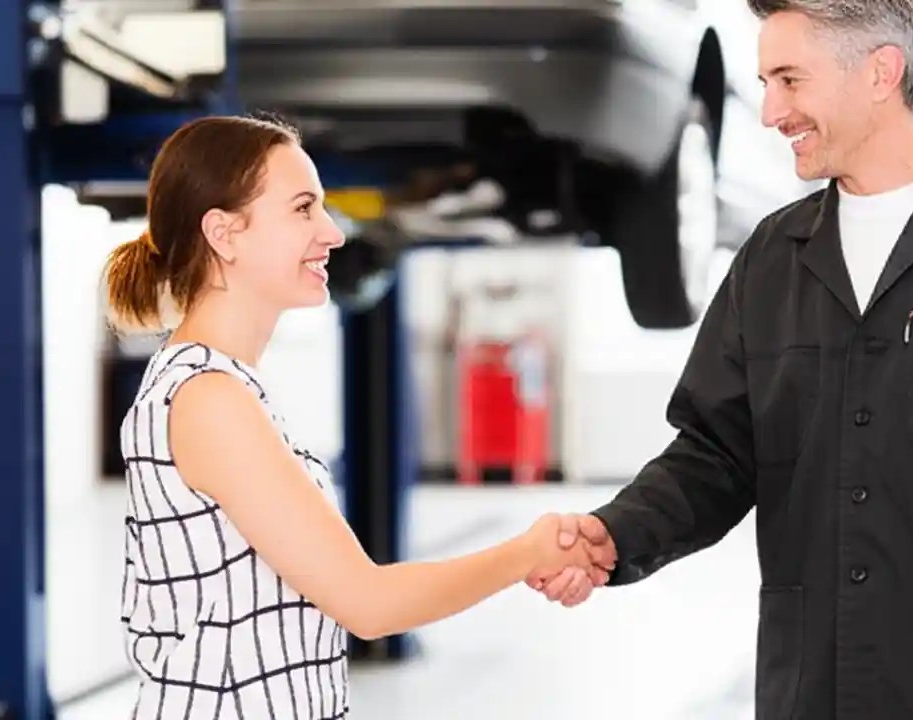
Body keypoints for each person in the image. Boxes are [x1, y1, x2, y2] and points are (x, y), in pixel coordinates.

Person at [532, 1, 913, 718]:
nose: (769, 112)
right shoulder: (770, 259)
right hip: (812, 694)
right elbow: (714, 455)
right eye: (766, 83)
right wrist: (616, 534)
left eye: (790, 80)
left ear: (881, 72)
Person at [103, 114, 594, 719]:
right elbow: (368, 603)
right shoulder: (209, 398)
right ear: (224, 233)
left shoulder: (217, 386)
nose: (332, 233)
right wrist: (528, 553)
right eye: (303, 209)